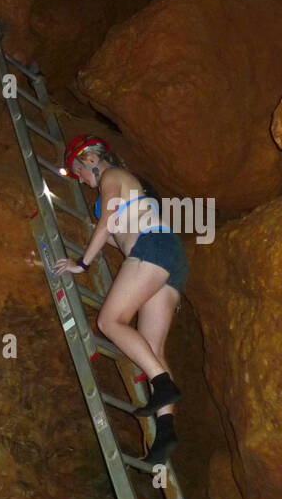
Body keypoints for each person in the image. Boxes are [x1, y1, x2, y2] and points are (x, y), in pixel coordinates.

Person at [52, 135, 188, 465]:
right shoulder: (132, 190)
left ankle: (163, 384)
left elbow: (109, 219)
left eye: (78, 172)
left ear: (89, 159)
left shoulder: (112, 176)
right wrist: (96, 235)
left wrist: (81, 264)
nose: (81, 181)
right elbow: (118, 232)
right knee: (151, 350)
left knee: (109, 321)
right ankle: (166, 432)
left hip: (152, 248)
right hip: (170, 257)